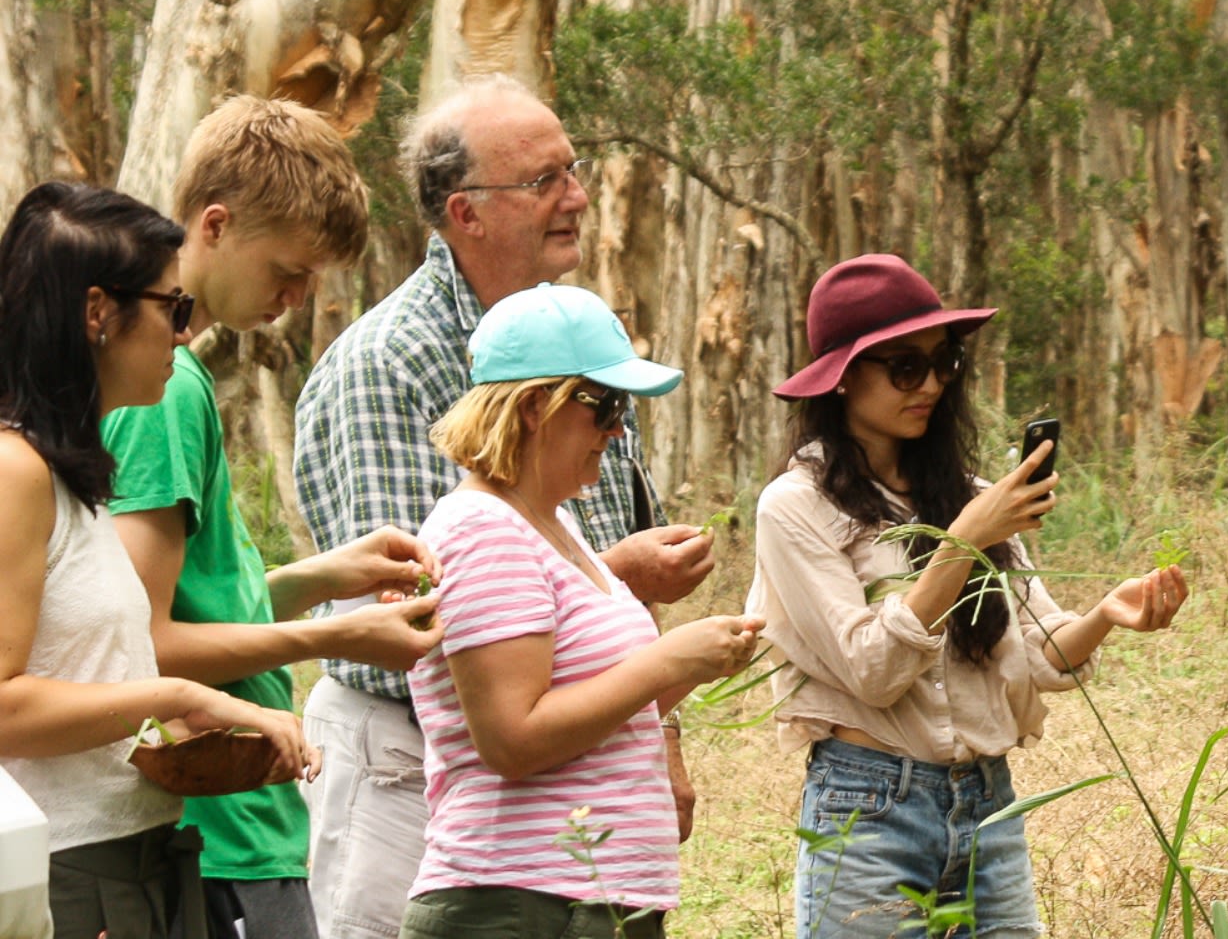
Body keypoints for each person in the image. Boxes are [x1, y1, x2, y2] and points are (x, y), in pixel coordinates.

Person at [291, 74, 714, 939]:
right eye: (544, 180)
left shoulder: (580, 356)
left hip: (567, 819)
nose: (578, 196)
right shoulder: (387, 362)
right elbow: (411, 632)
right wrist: (614, 588)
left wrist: (654, 735)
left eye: (574, 169)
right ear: (466, 212)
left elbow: (584, 581)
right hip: (412, 781)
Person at [748, 255, 1191, 939]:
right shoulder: (796, 507)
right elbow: (872, 669)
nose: (929, 384)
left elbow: (1040, 656)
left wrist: (1107, 613)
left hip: (987, 804)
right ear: (840, 379)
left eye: (944, 362)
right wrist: (961, 545)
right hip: (870, 806)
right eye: (904, 368)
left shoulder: (973, 495)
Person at [102, 95, 445, 939]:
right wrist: (334, 636)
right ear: (213, 226)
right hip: (219, 838)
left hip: (241, 829)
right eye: (287, 269)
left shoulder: (166, 375)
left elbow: (197, 603)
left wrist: (324, 580)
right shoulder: (163, 389)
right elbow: (140, 642)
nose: (296, 296)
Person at [0, 181, 314, 938]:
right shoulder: (17, 472)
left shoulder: (75, 473)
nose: (183, 333)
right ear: (97, 313)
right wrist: (176, 698)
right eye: (171, 309)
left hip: (143, 856)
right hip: (71, 872)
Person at [400, 284, 760, 939]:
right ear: (536, 405)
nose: (618, 429)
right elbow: (511, 738)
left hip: (580, 901)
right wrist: (663, 663)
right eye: (606, 406)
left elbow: (592, 710)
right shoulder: (483, 529)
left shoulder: (552, 525)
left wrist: (701, 664)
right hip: (520, 903)